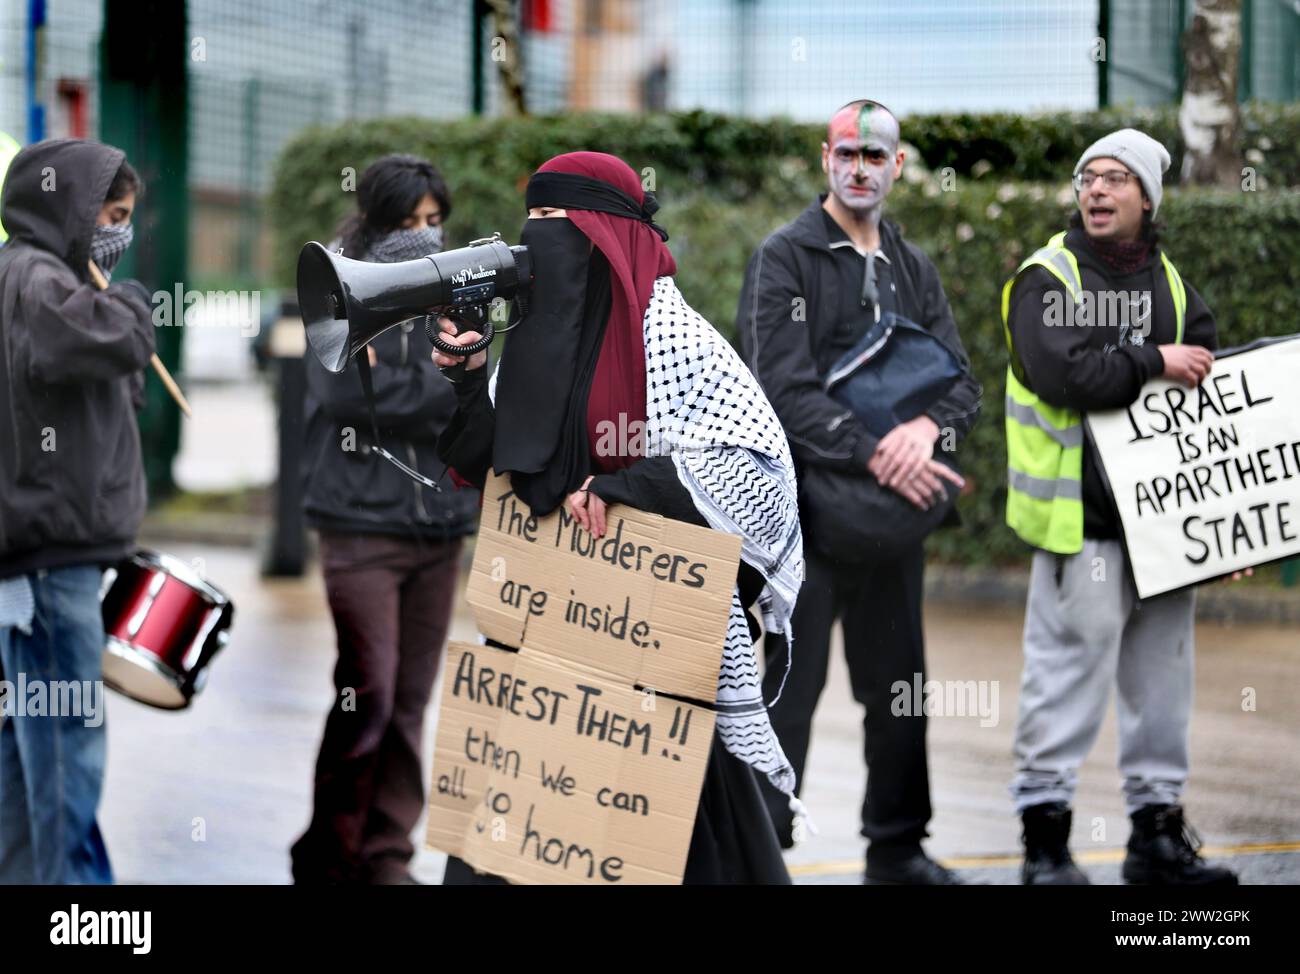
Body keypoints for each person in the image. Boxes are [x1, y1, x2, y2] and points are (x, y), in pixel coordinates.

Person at [432, 150, 805, 885]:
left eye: (555, 221)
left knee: (665, 843)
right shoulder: (537, 339)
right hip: (542, 642)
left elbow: (759, 474)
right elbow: (499, 465)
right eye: (530, 220)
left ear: (603, 233)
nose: (537, 238)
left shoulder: (674, 337)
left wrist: (626, 486)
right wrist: (469, 382)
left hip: (646, 651)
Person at [736, 99, 981, 885]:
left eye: (877, 156)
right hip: (802, 520)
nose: (862, 167)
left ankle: (898, 848)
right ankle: (758, 850)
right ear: (825, 158)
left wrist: (926, 437)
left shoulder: (914, 268)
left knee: (900, 691)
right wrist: (880, 451)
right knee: (786, 692)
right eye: (848, 153)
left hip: (892, 524)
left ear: (898, 166)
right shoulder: (786, 256)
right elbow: (782, 389)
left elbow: (962, 386)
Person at [1002, 128, 1236, 886]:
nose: (1096, 191)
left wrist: (1227, 527)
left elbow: (1216, 404)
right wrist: (1151, 360)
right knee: (1064, 684)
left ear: (1146, 198)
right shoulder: (1050, 277)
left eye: (1114, 180)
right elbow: (1060, 371)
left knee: (1164, 689)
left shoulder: (1171, 287)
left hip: (1166, 534)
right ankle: (1045, 847)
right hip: (1085, 527)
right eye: (1087, 178)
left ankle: (1157, 842)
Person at [291, 155, 481, 885]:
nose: (426, 237)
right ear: (375, 220)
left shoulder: (454, 288)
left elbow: (472, 391)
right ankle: (329, 857)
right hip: (360, 527)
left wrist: (438, 383)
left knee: (408, 707)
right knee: (365, 697)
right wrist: (440, 380)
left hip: (437, 527)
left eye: (435, 222)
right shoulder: (333, 282)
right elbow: (347, 400)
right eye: (409, 223)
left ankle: (386, 858)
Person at [0, 139, 153, 884]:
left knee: (25, 750)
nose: (118, 234)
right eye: (110, 216)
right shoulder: (35, 277)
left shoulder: (34, 275)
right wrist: (131, 303)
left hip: (41, 550)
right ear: (68, 209)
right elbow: (106, 337)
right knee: (63, 747)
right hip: (48, 552)